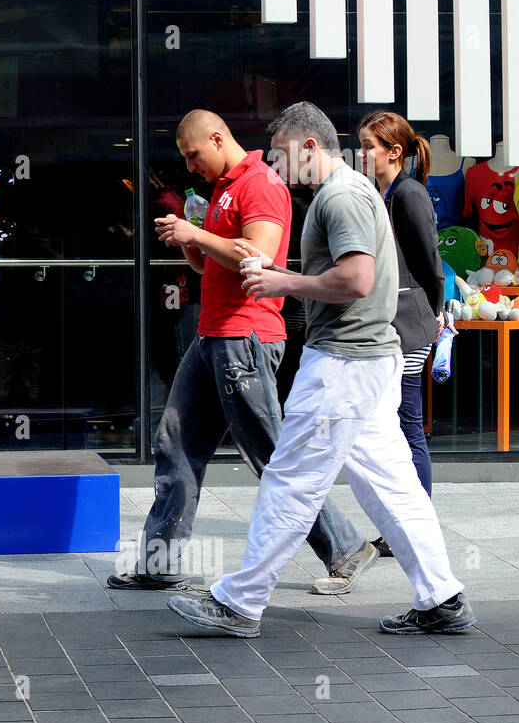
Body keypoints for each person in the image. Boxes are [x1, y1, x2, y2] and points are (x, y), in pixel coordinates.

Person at [168, 101, 474, 638]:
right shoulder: (351, 192)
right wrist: (285, 273)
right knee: (391, 485)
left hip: (343, 363)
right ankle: (443, 597)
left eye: (284, 155)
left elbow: (355, 279)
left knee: (291, 480)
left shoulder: (341, 196)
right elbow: (349, 276)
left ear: (310, 146)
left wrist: (285, 284)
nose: (279, 167)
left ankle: (240, 603)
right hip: (366, 360)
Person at [110, 110, 375, 593]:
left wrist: (197, 234)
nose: (191, 166)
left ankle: (345, 546)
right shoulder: (223, 188)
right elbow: (210, 260)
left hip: (245, 336)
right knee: (177, 443)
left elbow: (259, 255)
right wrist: (189, 238)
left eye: (194, 155)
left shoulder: (260, 183)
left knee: (271, 453)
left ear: (217, 138)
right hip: (216, 334)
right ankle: (159, 563)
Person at [358, 110, 444, 502]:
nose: (361, 154)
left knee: (407, 422)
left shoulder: (409, 194)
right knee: (394, 423)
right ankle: (405, 517)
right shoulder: (384, 194)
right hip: (395, 322)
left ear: (394, 152)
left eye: (367, 147)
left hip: (411, 323)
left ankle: (417, 518)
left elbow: (429, 261)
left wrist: (437, 311)